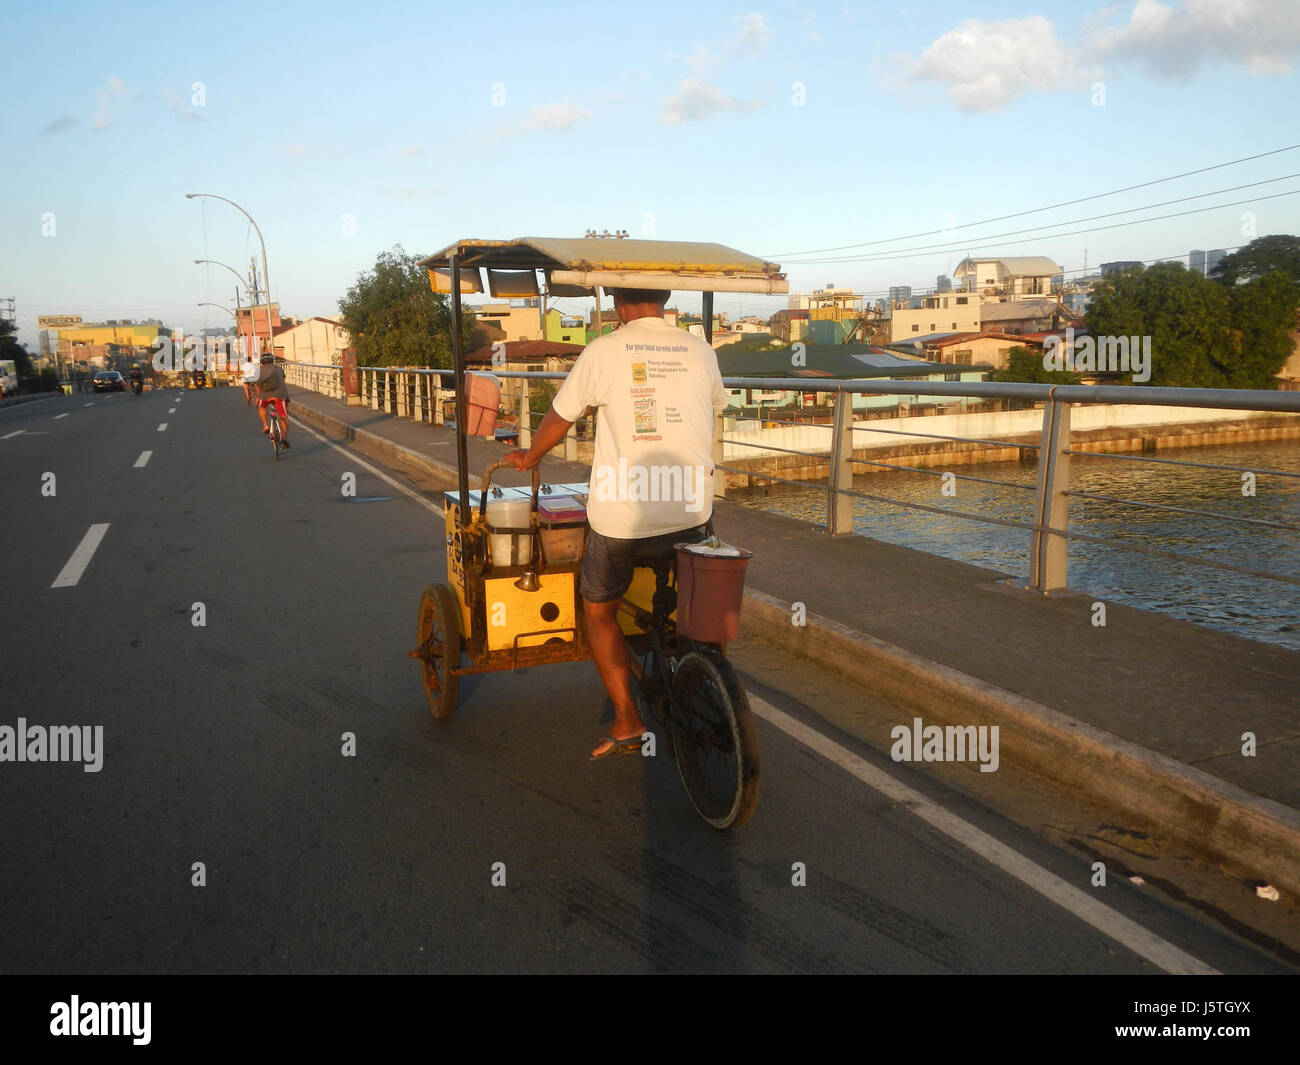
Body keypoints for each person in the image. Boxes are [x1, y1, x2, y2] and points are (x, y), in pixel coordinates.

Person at [504, 288, 723, 758]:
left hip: (623, 517)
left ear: (620, 303)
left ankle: (627, 719)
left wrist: (529, 456)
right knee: (691, 604)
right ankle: (700, 671)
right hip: (692, 509)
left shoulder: (603, 349)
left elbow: (561, 416)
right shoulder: (701, 350)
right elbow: (715, 408)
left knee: (599, 610)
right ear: (665, 299)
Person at [254, 352, 290, 448]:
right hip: (279, 396)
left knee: (261, 406)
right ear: (272, 361)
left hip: (265, 396)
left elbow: (257, 386)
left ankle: (265, 425)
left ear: (261, 362)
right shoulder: (279, 369)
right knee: (283, 415)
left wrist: (258, 398)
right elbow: (283, 381)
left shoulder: (258, 371)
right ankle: (284, 437)